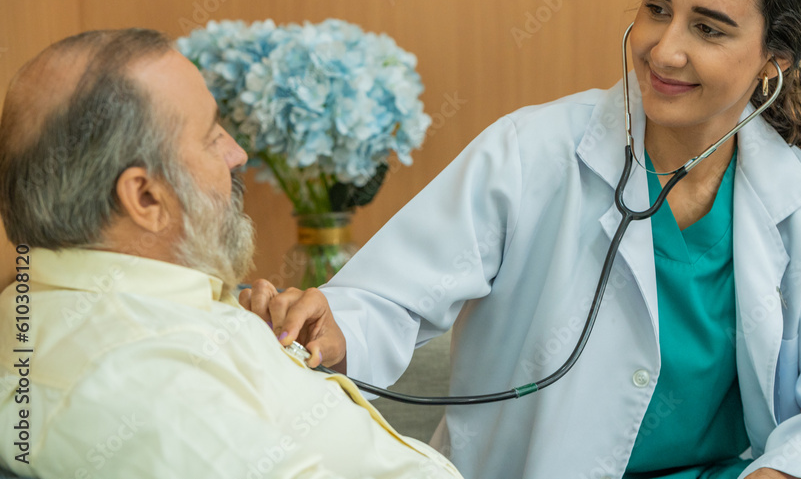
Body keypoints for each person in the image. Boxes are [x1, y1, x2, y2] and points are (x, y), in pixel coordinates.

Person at [241, 0, 801, 479]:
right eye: (657, 8)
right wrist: (332, 324)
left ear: (775, 58)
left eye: (708, 28)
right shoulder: (531, 153)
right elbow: (388, 299)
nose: (665, 48)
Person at [0, 30, 461, 478]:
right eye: (210, 136)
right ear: (146, 199)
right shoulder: (155, 390)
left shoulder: (58, 308)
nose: (237, 154)